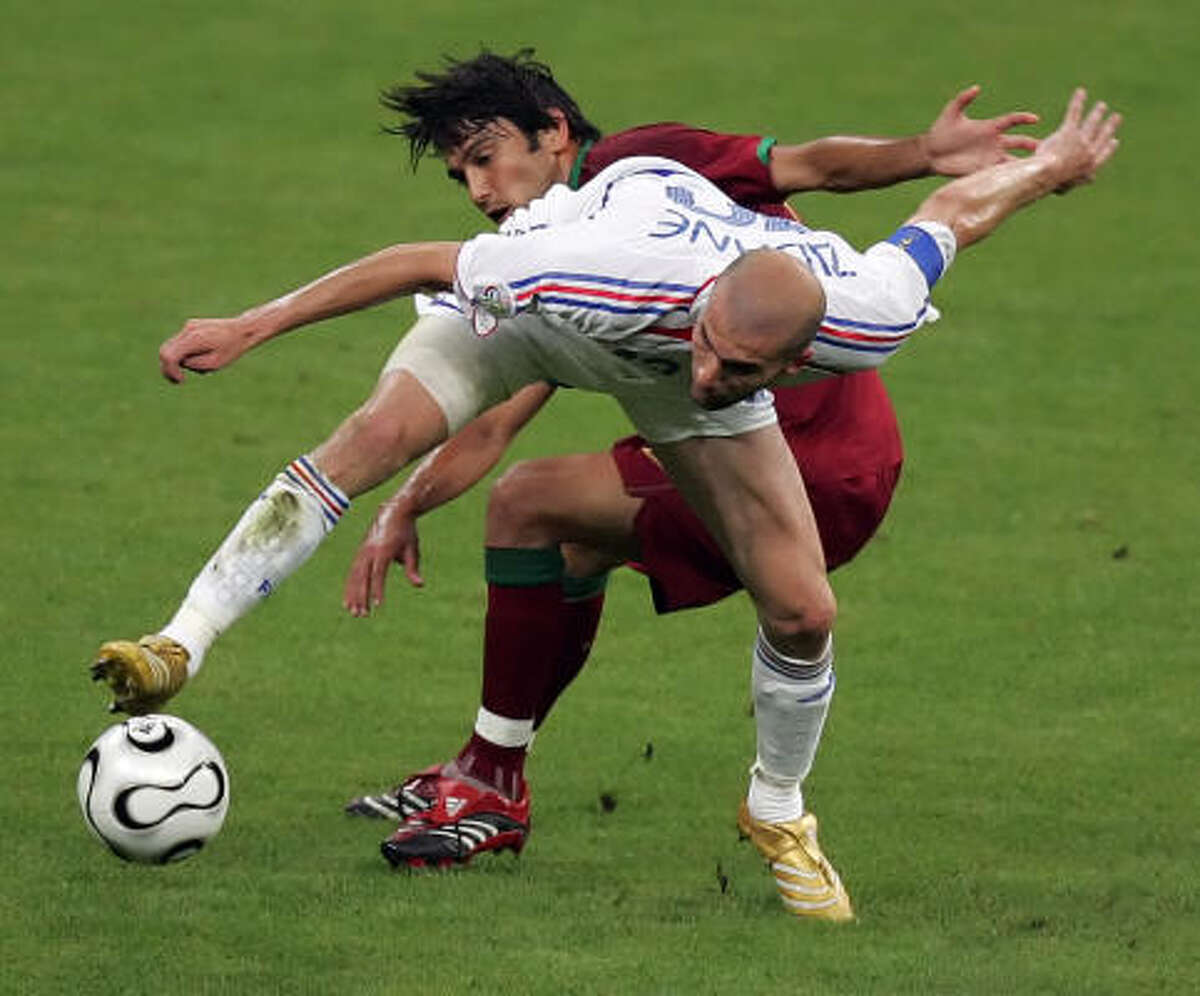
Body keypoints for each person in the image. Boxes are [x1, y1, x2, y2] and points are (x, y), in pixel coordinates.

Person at [90, 54, 1118, 919]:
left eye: (746, 371)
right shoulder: (572, 262)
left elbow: (950, 216)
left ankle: (777, 806)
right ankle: (183, 639)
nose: (482, 186)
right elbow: (415, 266)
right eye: (468, 169)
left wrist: (1052, 166)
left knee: (805, 613)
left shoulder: (861, 312)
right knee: (372, 438)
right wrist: (251, 326)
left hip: (672, 384)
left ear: (805, 355)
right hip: (567, 318)